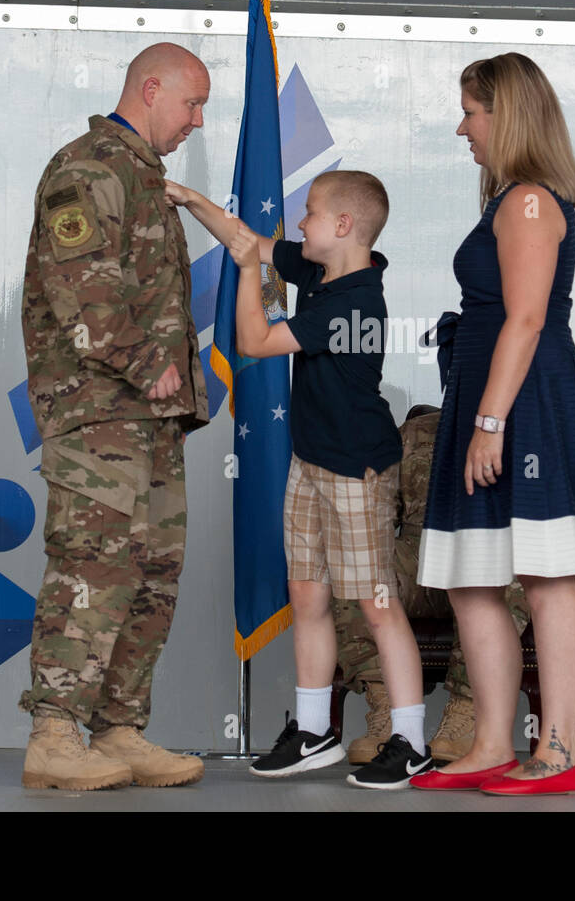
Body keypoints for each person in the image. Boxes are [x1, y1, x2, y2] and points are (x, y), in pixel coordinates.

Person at [412, 52, 575, 796]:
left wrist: (490, 422)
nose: (463, 128)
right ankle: (490, 744)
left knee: (547, 579)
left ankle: (558, 752)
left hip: (527, 403)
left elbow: (527, 319)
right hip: (491, 399)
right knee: (472, 581)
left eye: (471, 113)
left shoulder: (532, 201)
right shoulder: (510, 200)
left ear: (505, 115)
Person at [165, 170, 433, 789]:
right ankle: (314, 733)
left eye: (309, 212)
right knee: (307, 596)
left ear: (343, 225)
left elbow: (254, 340)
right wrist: (189, 198)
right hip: (310, 460)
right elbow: (250, 240)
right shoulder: (319, 269)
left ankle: (411, 741)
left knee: (377, 604)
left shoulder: (353, 301)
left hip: (357, 468)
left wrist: (246, 274)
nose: (300, 222)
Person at [18, 43, 211, 790]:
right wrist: (142, 360)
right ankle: (54, 734)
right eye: (191, 103)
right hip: (98, 409)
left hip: (150, 415)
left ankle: (118, 727)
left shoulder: (143, 176)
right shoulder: (90, 167)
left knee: (151, 573)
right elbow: (82, 291)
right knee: (90, 565)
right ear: (150, 88)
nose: (197, 121)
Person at [333, 410, 531, 764]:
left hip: (490, 554)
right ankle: (387, 709)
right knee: (361, 562)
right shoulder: (415, 432)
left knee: (512, 567)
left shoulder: (528, 430)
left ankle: (467, 712)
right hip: (421, 555)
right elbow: (378, 513)